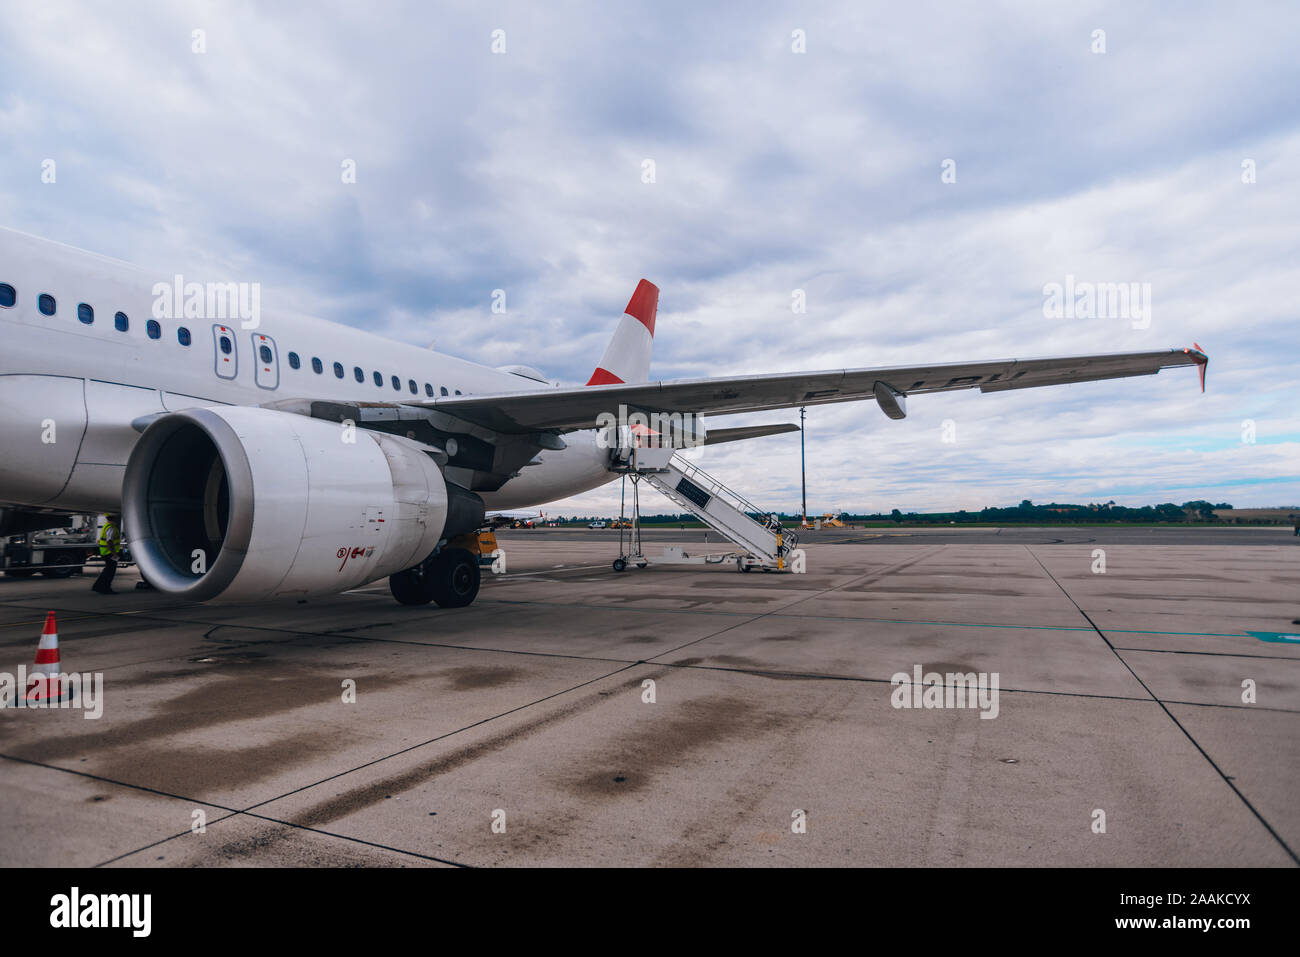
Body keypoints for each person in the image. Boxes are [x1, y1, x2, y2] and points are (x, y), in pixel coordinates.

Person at [93, 514, 122, 594]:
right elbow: (109, 541)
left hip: (106, 552)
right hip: (109, 553)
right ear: (115, 518)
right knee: (110, 572)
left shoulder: (106, 525)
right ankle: (105, 588)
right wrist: (114, 554)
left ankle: (98, 587)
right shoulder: (111, 527)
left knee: (107, 571)